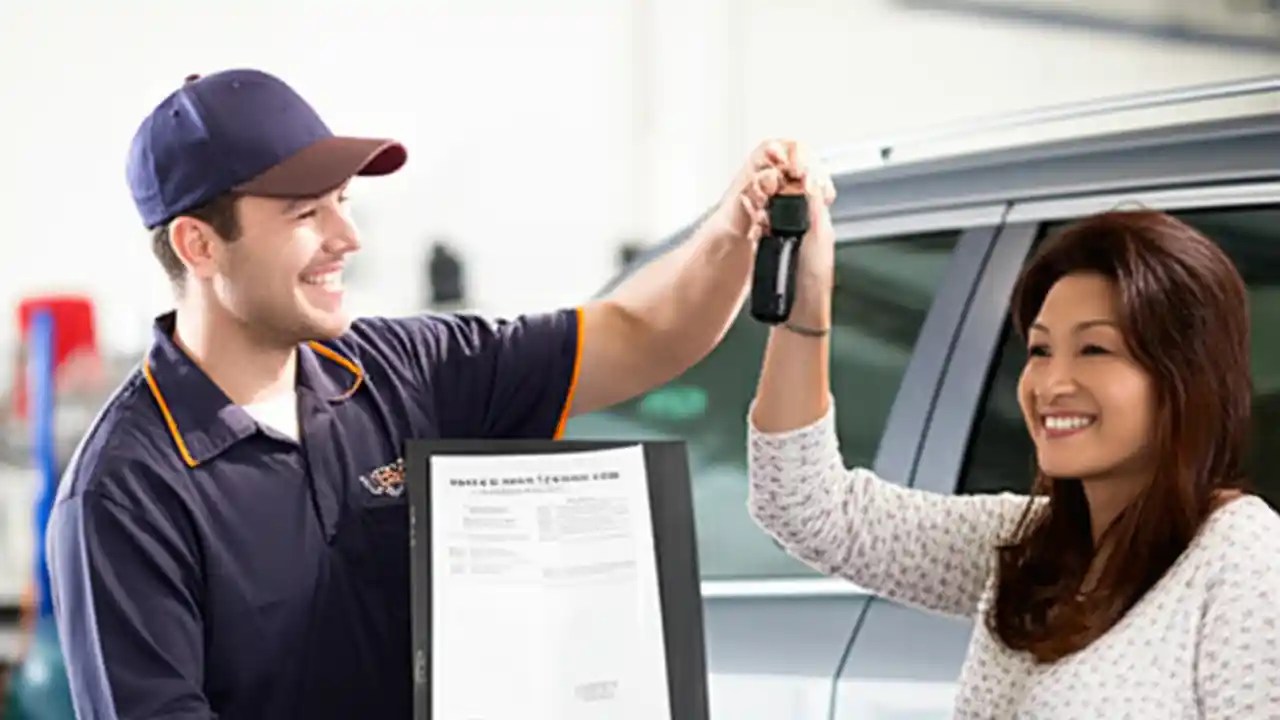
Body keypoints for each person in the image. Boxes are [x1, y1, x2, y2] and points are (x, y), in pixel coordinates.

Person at [45, 68, 835, 719]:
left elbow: (643, 332)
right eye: (305, 213)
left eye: (344, 203)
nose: (346, 239)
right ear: (198, 243)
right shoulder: (125, 494)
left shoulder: (406, 369)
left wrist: (734, 228)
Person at [747, 202, 1280, 717]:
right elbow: (805, 506)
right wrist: (806, 297)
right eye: (1040, 351)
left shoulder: (1241, 556)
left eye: (1094, 350)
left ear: (1184, 379)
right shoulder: (1026, 544)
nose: (1051, 384)